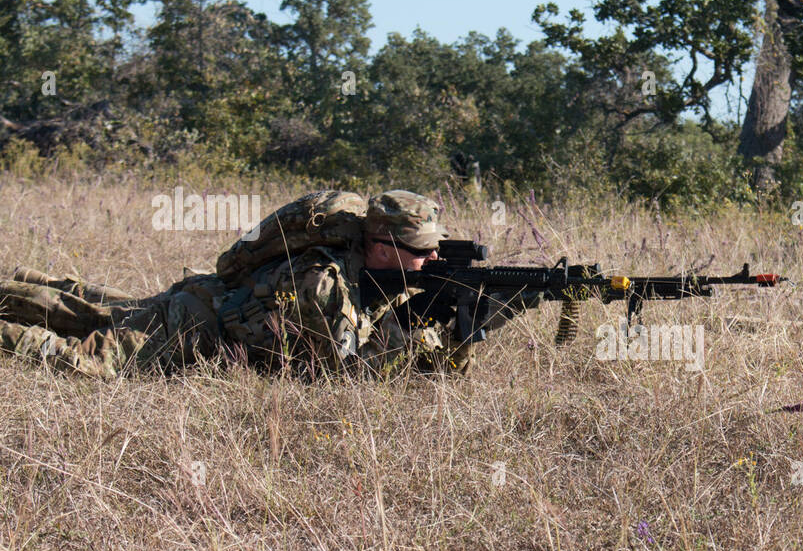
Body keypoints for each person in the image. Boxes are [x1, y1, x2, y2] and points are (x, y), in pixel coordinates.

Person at [0, 189, 473, 378]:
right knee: (87, 362)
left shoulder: (374, 272)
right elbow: (341, 375)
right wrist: (416, 327)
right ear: (385, 245)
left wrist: (464, 330)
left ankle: (18, 285)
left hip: (210, 300)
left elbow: (427, 364)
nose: (432, 258)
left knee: (93, 310)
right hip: (197, 326)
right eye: (421, 250)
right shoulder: (325, 283)